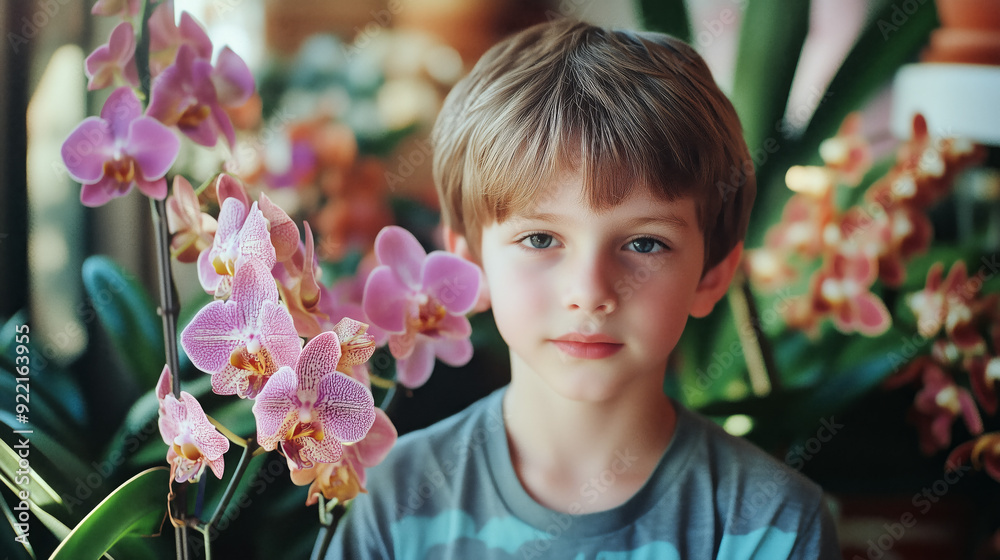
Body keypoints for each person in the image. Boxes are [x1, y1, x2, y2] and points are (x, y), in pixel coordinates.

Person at [332, 18, 841, 559]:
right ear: (468, 267)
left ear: (712, 272)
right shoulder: (393, 504)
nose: (589, 292)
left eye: (645, 244)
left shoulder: (773, 524)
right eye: (541, 238)